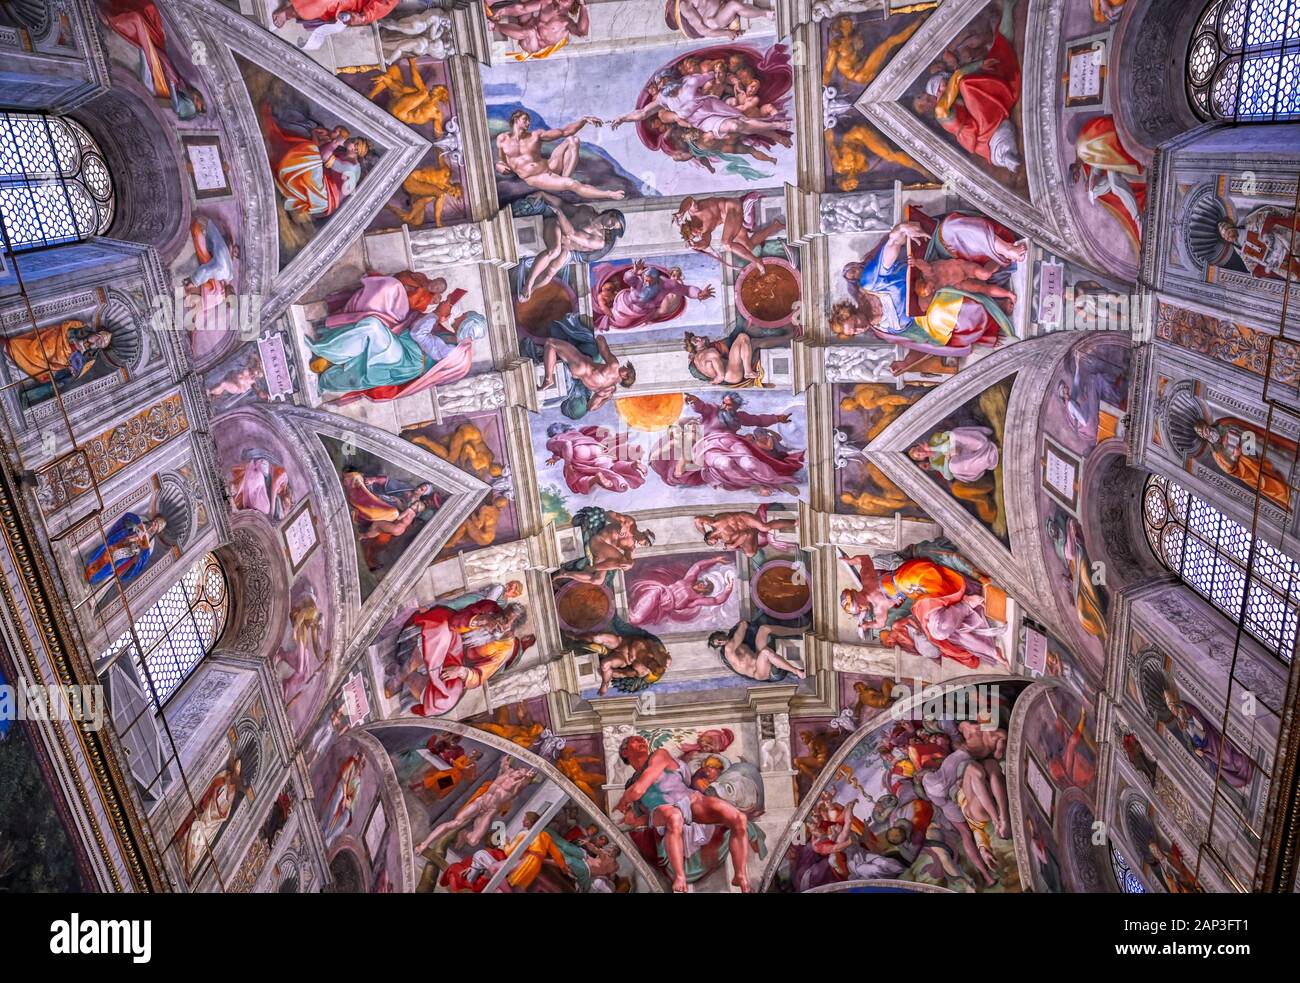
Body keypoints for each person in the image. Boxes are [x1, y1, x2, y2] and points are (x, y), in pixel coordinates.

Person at [613, 734, 756, 892]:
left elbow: (638, 790)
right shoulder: (631, 783)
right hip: (663, 810)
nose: (641, 741)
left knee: (738, 818)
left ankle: (740, 875)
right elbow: (638, 815)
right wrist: (631, 817)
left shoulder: (659, 755)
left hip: (690, 800)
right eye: (634, 740)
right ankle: (680, 877)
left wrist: (623, 800)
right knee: (674, 817)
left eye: (642, 739)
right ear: (625, 752)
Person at [912, 0, 1021, 172]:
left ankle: (1008, 7)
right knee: (1000, 138)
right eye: (923, 105)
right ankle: (1007, 157)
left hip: (980, 121)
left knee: (1000, 50)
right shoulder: (941, 108)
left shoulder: (943, 98)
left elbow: (957, 79)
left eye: (922, 97)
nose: (926, 100)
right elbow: (958, 79)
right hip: (979, 128)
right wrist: (979, 65)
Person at [650, 393, 803, 496]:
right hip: (708, 446)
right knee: (725, 464)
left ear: (736, 407)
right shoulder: (712, 410)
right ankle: (756, 484)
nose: (724, 406)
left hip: (732, 442)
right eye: (724, 403)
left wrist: (777, 418)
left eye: (729, 405)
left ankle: (777, 482)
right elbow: (701, 406)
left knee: (749, 463)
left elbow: (758, 419)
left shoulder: (739, 417)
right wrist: (694, 400)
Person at [99, 0, 205, 119]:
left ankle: (110, 16)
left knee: (136, 19)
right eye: (198, 103)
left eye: (197, 104)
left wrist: (171, 84)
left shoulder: (162, 88)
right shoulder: (181, 83)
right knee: (150, 9)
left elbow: (175, 105)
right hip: (158, 52)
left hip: (153, 61)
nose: (196, 101)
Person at [264, 108, 369, 222]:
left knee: (310, 153)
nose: (351, 141)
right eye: (354, 140)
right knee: (310, 146)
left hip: (323, 197)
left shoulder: (350, 167)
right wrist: (333, 135)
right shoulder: (349, 155)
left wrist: (336, 141)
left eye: (354, 142)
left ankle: (284, 166)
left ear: (356, 150)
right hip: (325, 187)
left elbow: (323, 156)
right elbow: (337, 143)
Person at [496, 110, 622, 201]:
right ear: (516, 120)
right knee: (572, 184)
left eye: (529, 120)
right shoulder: (503, 139)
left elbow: (565, 132)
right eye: (525, 119)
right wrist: (499, 166)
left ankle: (565, 180)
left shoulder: (536, 135)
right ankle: (608, 194)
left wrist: (583, 121)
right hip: (536, 177)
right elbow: (502, 160)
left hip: (549, 165)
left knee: (573, 140)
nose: (528, 123)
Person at [522, 194, 626, 300]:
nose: (611, 227)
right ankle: (529, 283)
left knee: (551, 271)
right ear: (610, 214)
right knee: (554, 250)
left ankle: (531, 290)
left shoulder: (599, 241)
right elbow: (562, 205)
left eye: (614, 228)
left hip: (566, 247)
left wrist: (559, 213)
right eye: (613, 222)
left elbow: (571, 234)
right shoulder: (587, 210)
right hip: (556, 227)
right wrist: (543, 194)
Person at [1071, 114, 1147, 251]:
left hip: (1115, 149)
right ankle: (1138, 218)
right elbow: (1097, 161)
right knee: (1096, 189)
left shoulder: (1082, 150)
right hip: (1109, 157)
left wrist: (1092, 179)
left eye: (1075, 177)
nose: (1078, 177)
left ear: (1074, 171)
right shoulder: (1083, 156)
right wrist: (1091, 184)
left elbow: (1100, 156)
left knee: (1115, 185)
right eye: (1076, 179)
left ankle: (1138, 219)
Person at [672, 193, 786, 274]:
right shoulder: (704, 231)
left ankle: (756, 261)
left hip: (731, 208)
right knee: (748, 246)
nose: (698, 233)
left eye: (694, 231)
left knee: (726, 243)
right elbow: (705, 243)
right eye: (695, 236)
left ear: (690, 224)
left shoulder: (695, 211)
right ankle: (775, 226)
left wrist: (681, 211)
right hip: (731, 221)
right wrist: (696, 245)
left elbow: (689, 200)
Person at [594, 260, 714, 332]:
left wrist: (699, 294)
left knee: (617, 322)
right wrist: (634, 271)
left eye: (649, 279)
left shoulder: (668, 285)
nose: (646, 281)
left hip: (637, 313)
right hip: (623, 302)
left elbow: (687, 290)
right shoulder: (640, 280)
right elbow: (627, 278)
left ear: (656, 279)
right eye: (645, 278)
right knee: (609, 314)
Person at [536, 333, 636, 415]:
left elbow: (603, 348)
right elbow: (591, 407)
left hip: (582, 364)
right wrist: (606, 400)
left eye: (626, 368)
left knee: (550, 343)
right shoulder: (609, 391)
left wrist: (600, 337)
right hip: (577, 374)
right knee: (553, 346)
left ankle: (548, 379)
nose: (624, 366)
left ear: (625, 376)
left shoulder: (615, 366)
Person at [628, 555, 733, 626]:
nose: (702, 583)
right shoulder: (689, 579)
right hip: (657, 594)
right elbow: (698, 566)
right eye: (703, 581)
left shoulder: (696, 599)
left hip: (660, 609)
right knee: (636, 619)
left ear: (704, 592)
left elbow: (716, 601)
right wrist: (715, 560)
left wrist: (728, 590)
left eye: (705, 586)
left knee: (636, 622)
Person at [545, 423, 647, 494]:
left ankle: (595, 479)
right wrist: (554, 458)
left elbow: (566, 445)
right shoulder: (577, 433)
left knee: (576, 481)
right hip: (596, 448)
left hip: (579, 451)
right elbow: (558, 453)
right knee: (611, 466)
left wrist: (568, 465)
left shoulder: (553, 440)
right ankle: (632, 465)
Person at [1218, 206, 1300, 282]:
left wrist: (1265, 233)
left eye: (1228, 232)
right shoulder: (1239, 249)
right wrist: (1265, 270)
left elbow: (1268, 216)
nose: (1229, 237)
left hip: (1284, 241)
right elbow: (1253, 269)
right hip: (1280, 262)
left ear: (1232, 226)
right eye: (1226, 237)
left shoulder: (1248, 222)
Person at [367, 58, 451, 132]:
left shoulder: (436, 113)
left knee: (422, 92)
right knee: (393, 69)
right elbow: (403, 88)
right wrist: (412, 64)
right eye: (434, 87)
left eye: (436, 88)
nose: (432, 88)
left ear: (441, 94)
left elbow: (438, 132)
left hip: (398, 113)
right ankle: (369, 96)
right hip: (395, 103)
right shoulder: (423, 95)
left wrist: (388, 81)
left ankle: (380, 84)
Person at [83, 513, 166, 588]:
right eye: (155, 522)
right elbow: (128, 518)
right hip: (120, 541)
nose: (153, 524)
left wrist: (138, 553)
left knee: (109, 566)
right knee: (103, 552)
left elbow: (142, 559)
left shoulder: (151, 544)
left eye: (156, 525)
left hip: (125, 553)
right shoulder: (142, 521)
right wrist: (134, 527)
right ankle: (88, 566)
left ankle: (92, 578)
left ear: (157, 530)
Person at [487, 0, 590, 58]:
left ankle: (495, 26)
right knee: (525, 2)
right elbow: (523, 8)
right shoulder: (547, 3)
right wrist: (501, 11)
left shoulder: (567, 23)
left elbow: (582, 31)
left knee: (530, 32)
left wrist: (583, 6)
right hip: (528, 25)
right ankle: (493, 5)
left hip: (532, 45)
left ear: (573, 4)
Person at [708, 620, 806, 680]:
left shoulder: (733, 641)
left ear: (721, 633)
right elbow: (744, 624)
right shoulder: (729, 649)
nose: (721, 641)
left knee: (764, 629)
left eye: (719, 638)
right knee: (765, 652)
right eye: (719, 643)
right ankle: (797, 672)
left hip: (759, 658)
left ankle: (799, 631)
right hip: (759, 672)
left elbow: (743, 624)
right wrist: (740, 624)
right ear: (720, 646)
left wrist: (740, 624)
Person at [694, 505, 796, 556]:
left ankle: (794, 522)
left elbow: (697, 519)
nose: (714, 543)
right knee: (750, 554)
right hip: (748, 531)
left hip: (744, 518)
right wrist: (733, 546)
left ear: (708, 538)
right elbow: (744, 535)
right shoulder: (726, 539)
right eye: (712, 544)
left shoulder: (714, 522)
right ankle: (755, 531)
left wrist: (704, 534)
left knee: (765, 527)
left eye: (710, 543)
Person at [907, 427, 999, 483]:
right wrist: (947, 458)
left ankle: (984, 443)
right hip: (963, 458)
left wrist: (932, 448)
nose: (921, 453)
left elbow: (947, 434)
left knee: (954, 434)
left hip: (963, 444)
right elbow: (948, 477)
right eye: (919, 455)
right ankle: (987, 457)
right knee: (953, 467)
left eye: (919, 450)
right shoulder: (934, 463)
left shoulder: (934, 439)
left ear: (920, 446)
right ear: (921, 459)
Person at [228, 451, 292, 520]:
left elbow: (274, 493)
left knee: (265, 506)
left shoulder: (278, 497)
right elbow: (273, 491)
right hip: (258, 477)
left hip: (260, 481)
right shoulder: (280, 476)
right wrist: (272, 513)